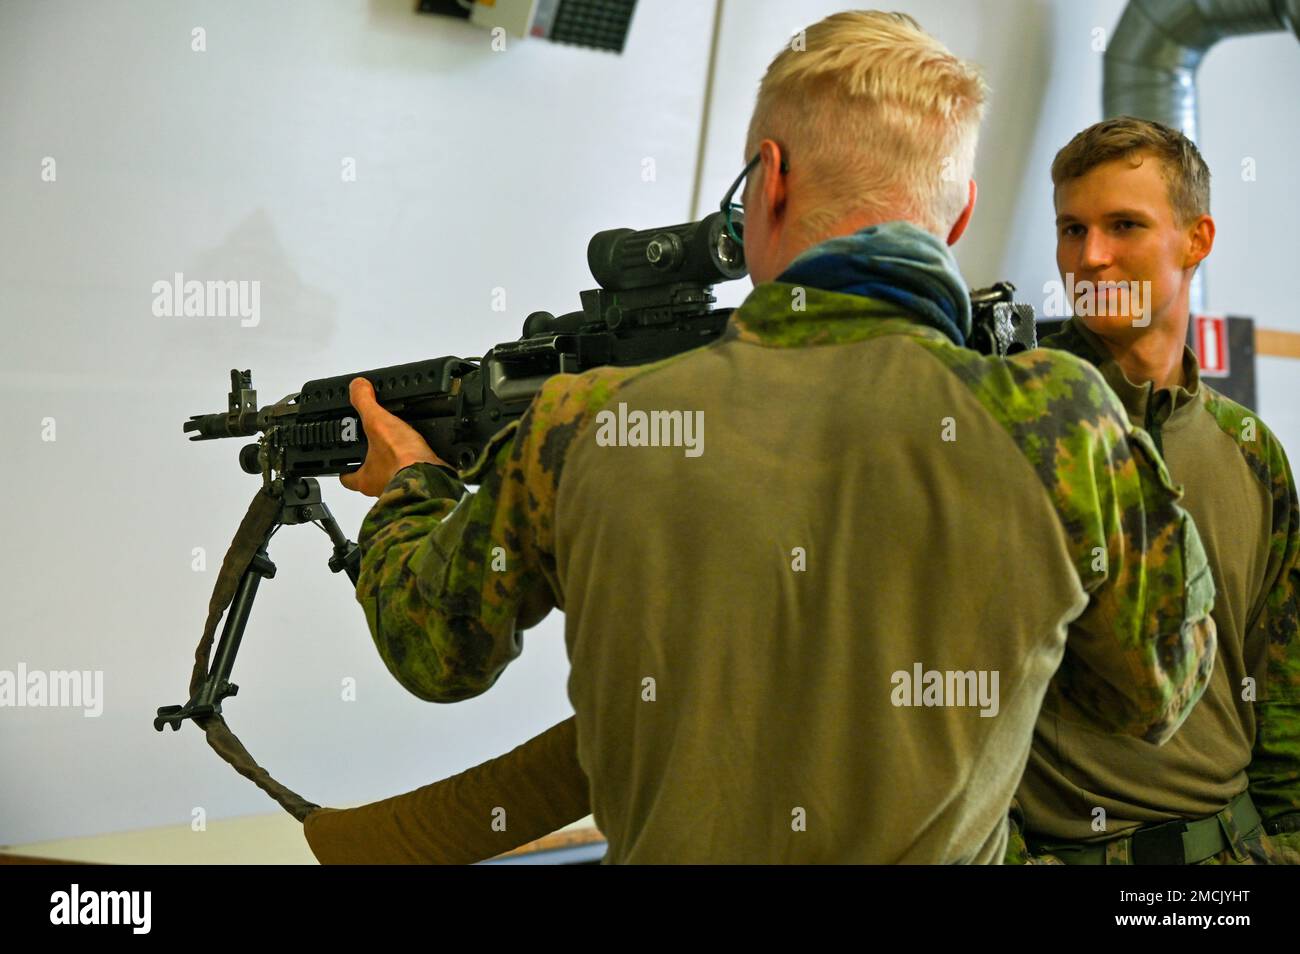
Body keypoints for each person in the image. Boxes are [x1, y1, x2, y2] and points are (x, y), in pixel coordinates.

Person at [317, 10, 1215, 864]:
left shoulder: (581, 422)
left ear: (770, 179)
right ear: (963, 212)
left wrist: (410, 485)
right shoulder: (1066, 420)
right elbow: (1153, 700)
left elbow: (434, 649)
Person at [1006, 116, 1300, 865]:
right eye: (1072, 230)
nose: (1090, 257)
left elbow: (1282, 693)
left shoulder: (1251, 452)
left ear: (1196, 240)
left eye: (1123, 226)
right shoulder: (1010, 424)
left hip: (1234, 860)